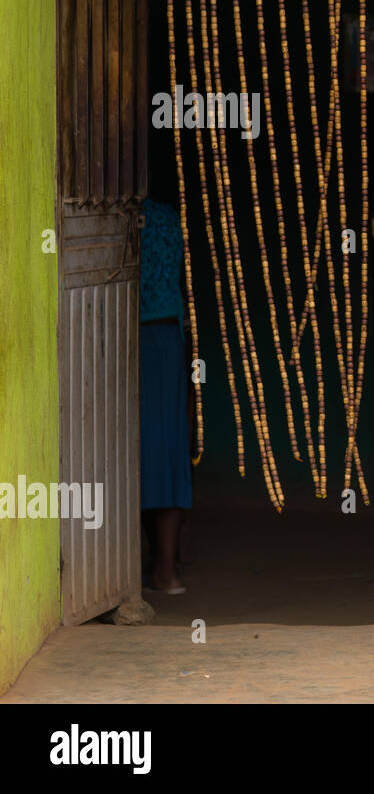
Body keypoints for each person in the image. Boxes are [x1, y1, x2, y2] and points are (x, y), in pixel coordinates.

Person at [138, 196, 193, 594]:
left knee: (131, 456)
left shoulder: (116, 220)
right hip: (168, 337)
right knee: (168, 452)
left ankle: (154, 566)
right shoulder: (169, 218)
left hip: (131, 336)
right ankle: (166, 569)